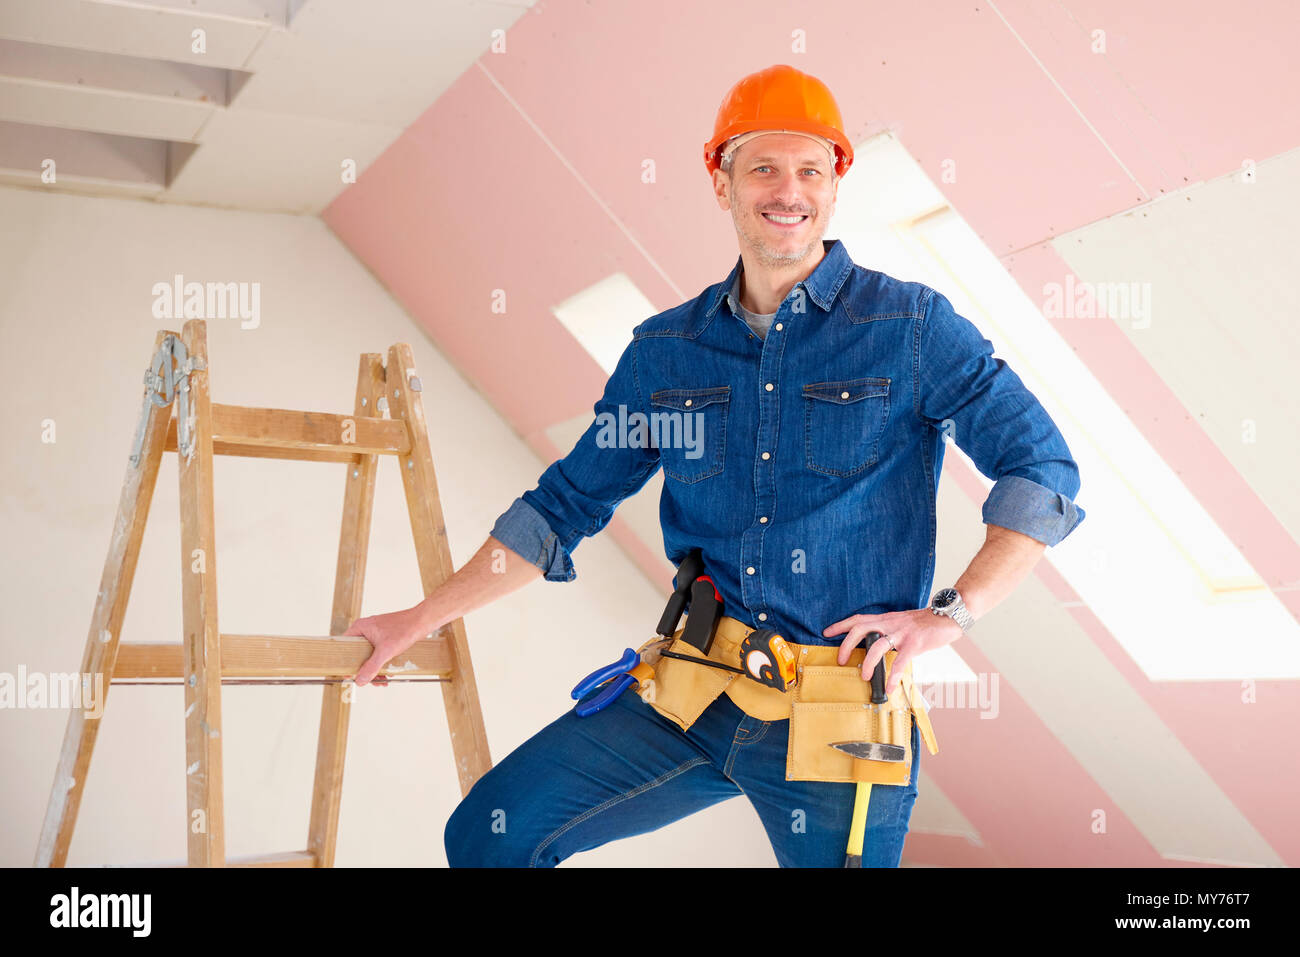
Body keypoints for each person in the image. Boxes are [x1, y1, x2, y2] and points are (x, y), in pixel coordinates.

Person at [344, 64, 1086, 867]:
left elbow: (1042, 470)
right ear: (720, 178)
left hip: (835, 721)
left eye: (811, 169)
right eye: (762, 166)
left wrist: (953, 614)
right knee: (490, 834)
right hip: (688, 690)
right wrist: (421, 618)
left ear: (837, 184)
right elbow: (561, 508)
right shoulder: (667, 350)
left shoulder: (909, 326)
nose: (787, 190)